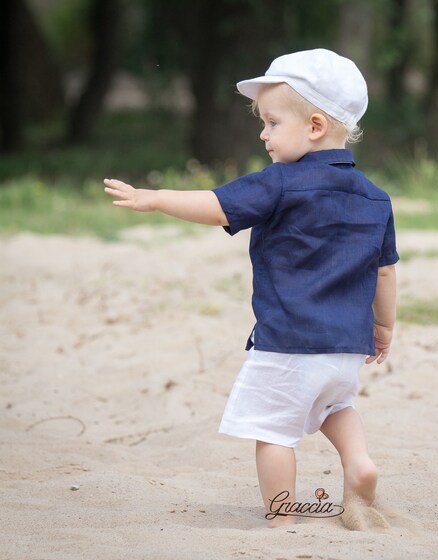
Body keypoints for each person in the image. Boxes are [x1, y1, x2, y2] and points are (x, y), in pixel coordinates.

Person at [104, 48, 398, 530]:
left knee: (273, 431)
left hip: (287, 342)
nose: (263, 133)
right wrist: (383, 325)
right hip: (348, 346)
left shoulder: (280, 183)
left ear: (316, 126)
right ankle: (359, 460)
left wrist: (156, 198)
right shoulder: (375, 197)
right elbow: (385, 272)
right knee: (336, 405)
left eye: (272, 122)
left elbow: (218, 205)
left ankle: (282, 518)